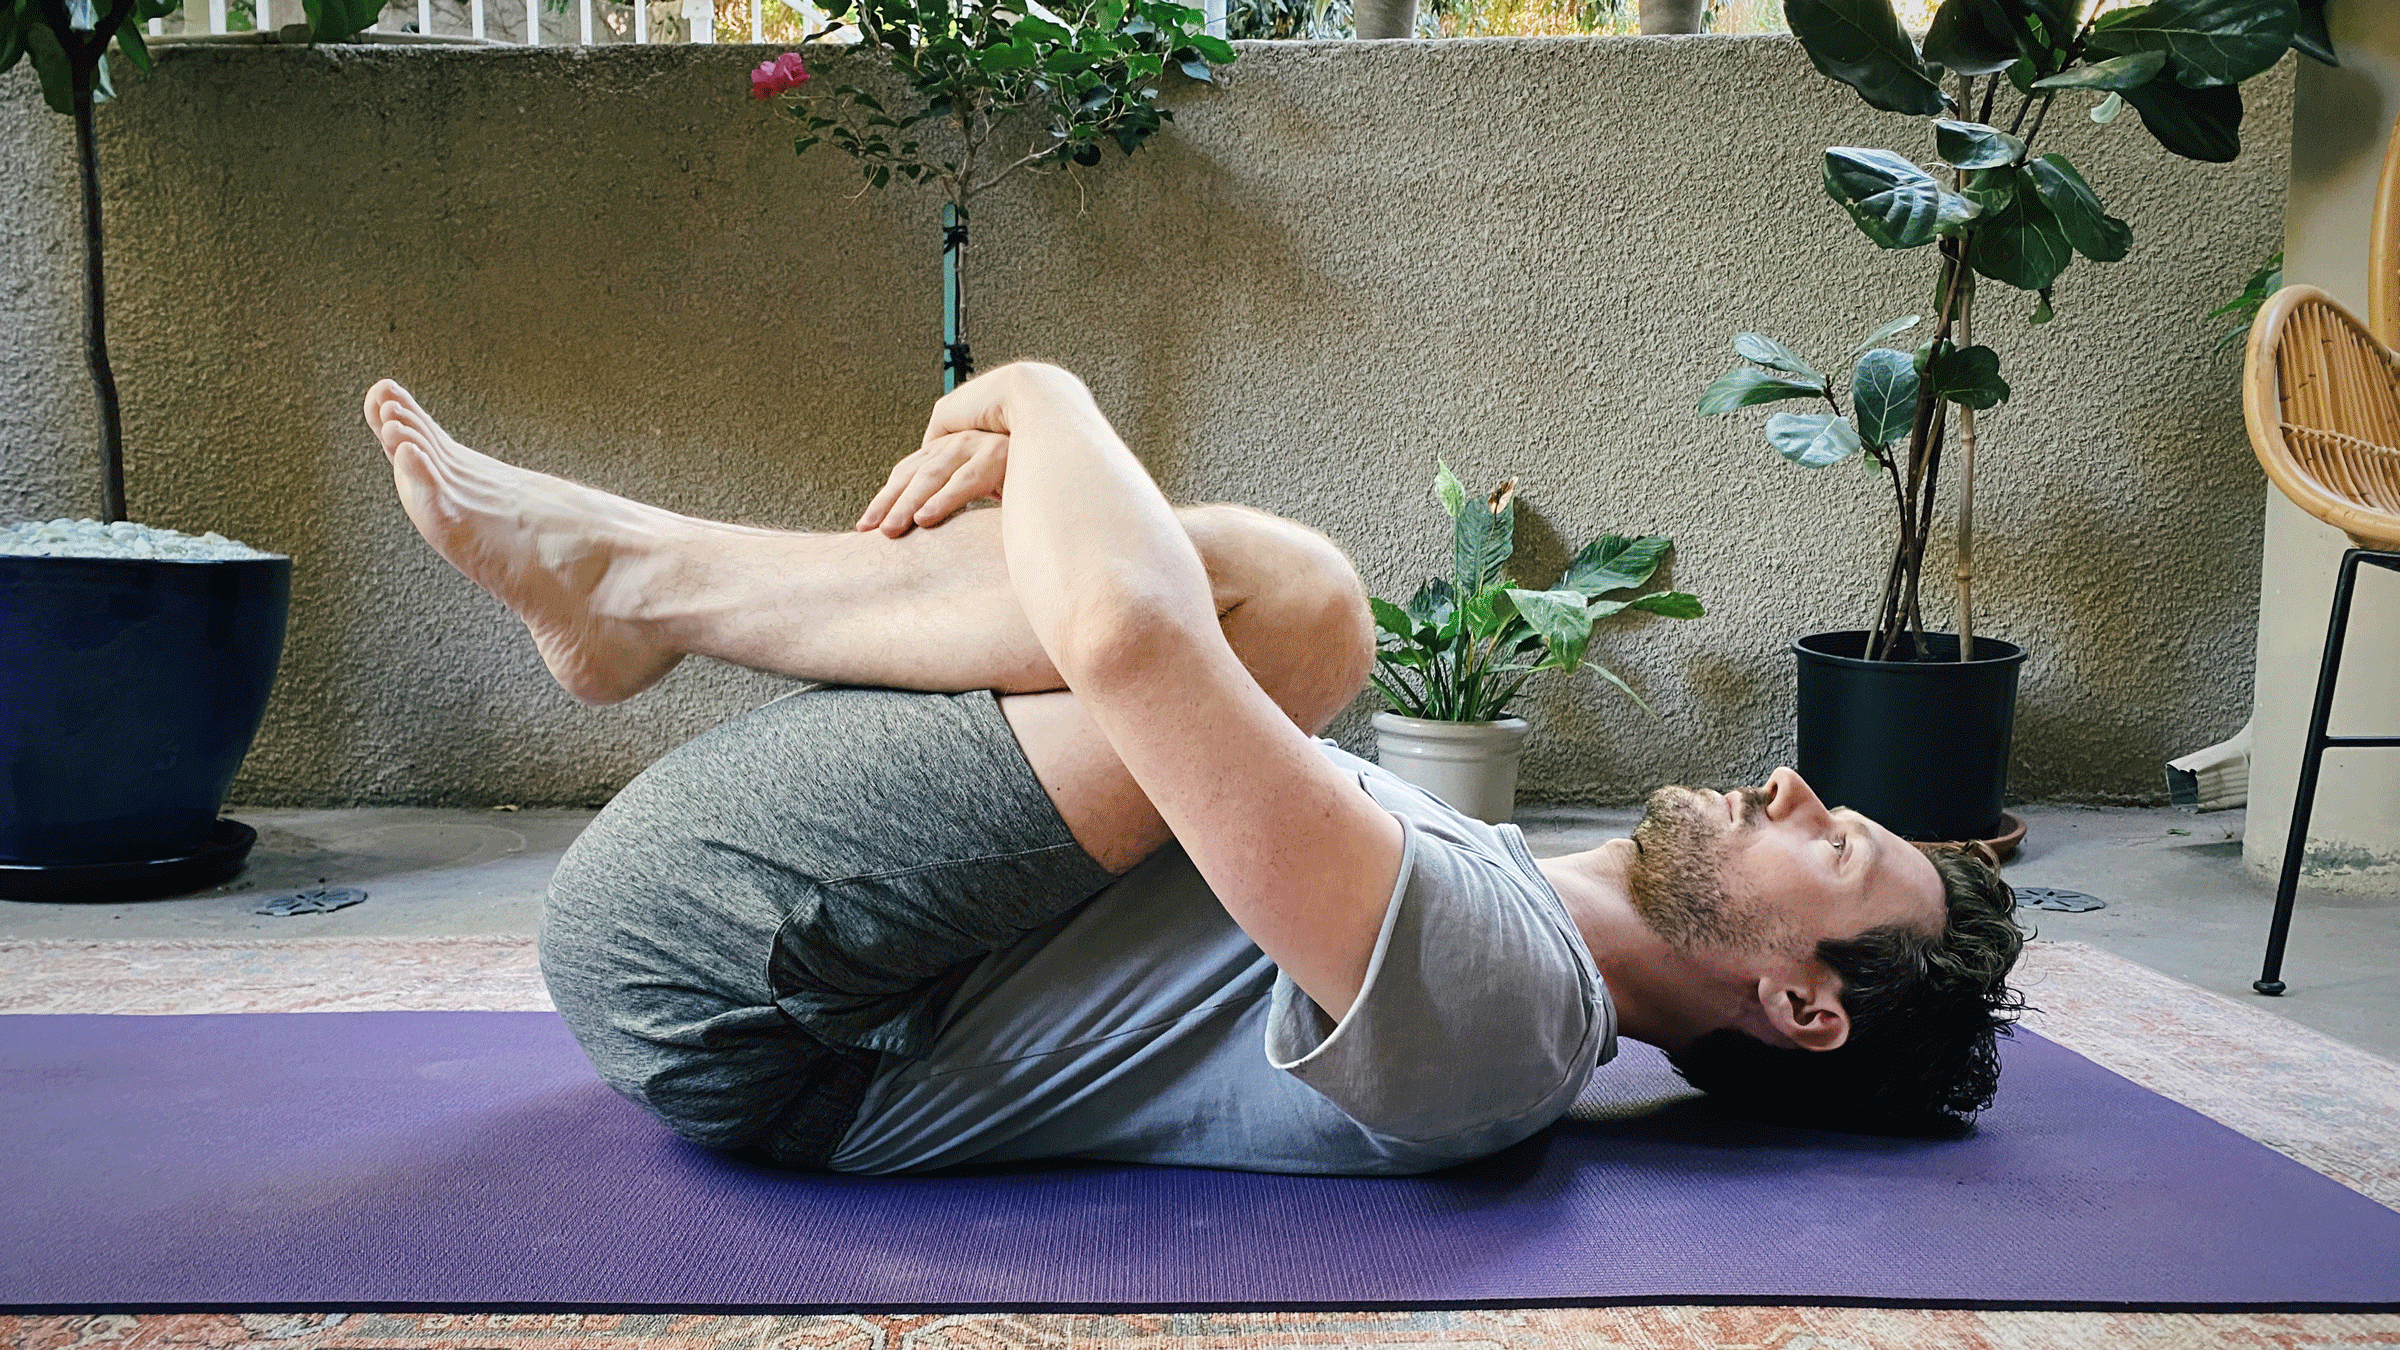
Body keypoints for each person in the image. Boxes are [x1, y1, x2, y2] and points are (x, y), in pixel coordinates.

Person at [360, 362, 2025, 1176]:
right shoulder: (1514, 909)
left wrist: (1042, 394)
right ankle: (627, 584)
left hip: (748, 1007)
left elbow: (1141, 649)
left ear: (1806, 1003)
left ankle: (635, 579)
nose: (1800, 787)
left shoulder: (1512, 1008)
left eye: (1839, 843)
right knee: (1283, 613)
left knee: (1290, 615)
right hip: (820, 962)